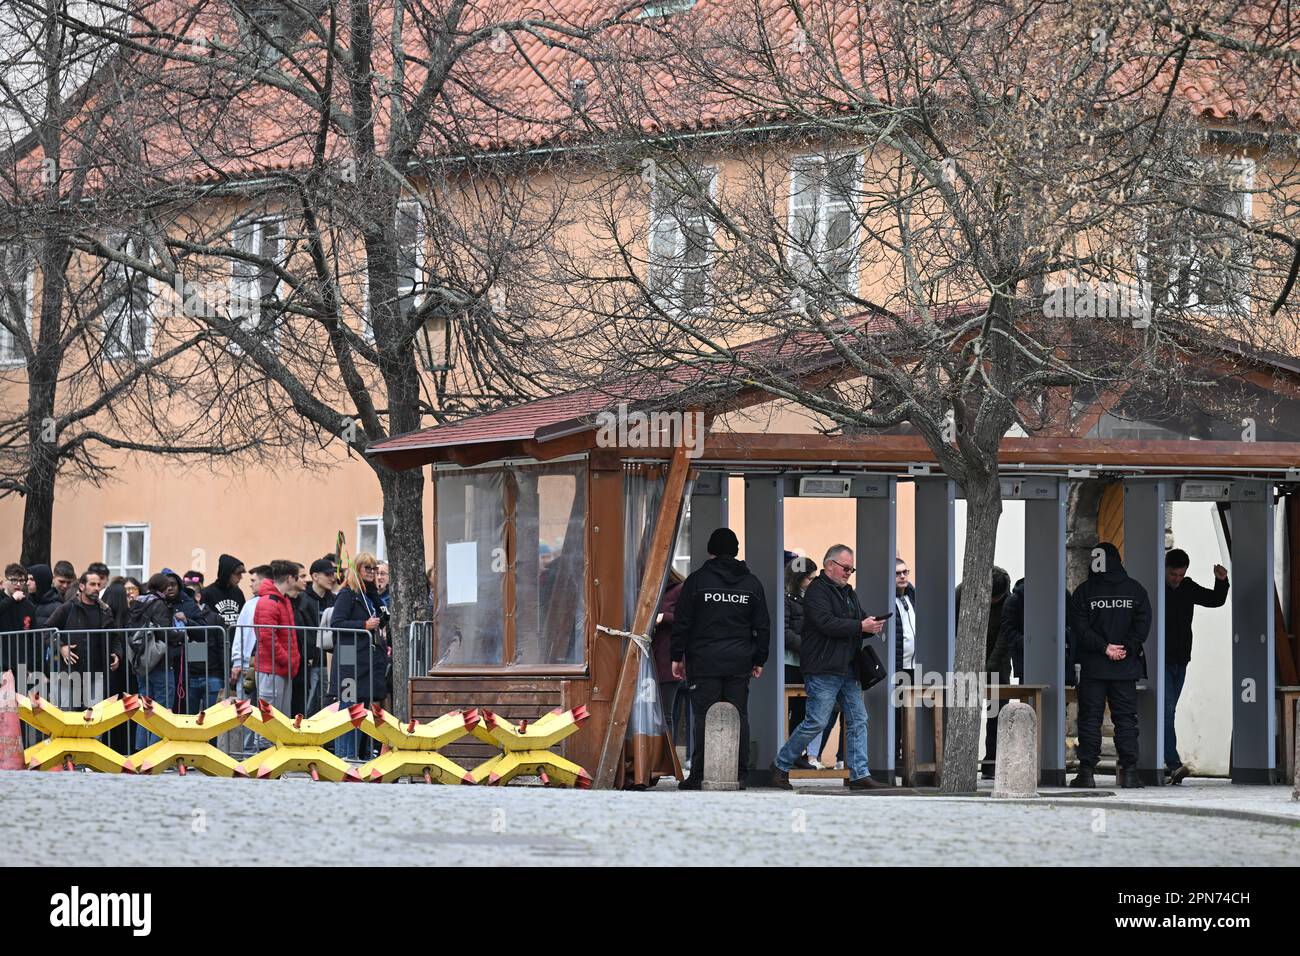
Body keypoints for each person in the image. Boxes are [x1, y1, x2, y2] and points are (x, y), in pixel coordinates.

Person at [772, 544, 889, 790]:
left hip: (847, 668)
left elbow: (854, 621)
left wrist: (871, 625)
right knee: (815, 721)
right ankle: (781, 765)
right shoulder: (817, 592)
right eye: (846, 568)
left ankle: (859, 774)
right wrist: (860, 626)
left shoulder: (848, 592)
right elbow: (827, 624)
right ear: (830, 566)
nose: (849, 572)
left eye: (852, 569)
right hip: (823, 668)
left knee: (858, 719)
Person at [671, 528, 770, 790]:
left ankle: (700, 774)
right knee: (739, 715)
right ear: (736, 551)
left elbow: (682, 622)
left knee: (703, 716)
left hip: (704, 661)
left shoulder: (696, 581)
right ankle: (739, 774)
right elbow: (763, 625)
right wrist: (760, 659)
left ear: (710, 550)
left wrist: (676, 656)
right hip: (740, 661)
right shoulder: (751, 584)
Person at [1068, 542, 1152, 789]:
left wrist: (1104, 648)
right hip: (1125, 667)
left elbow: (1079, 629)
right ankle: (1129, 772)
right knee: (1126, 719)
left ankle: (1086, 773)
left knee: (1090, 719)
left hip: (1093, 667)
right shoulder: (1136, 591)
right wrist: (1124, 648)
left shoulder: (1084, 592)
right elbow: (1142, 626)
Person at [1164, 549, 1229, 785]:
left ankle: (1167, 762)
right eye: (1173, 574)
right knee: (1167, 710)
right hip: (1162, 660)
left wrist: (1221, 581)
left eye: (1181, 575)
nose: (1177, 579)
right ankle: (1173, 764)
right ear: (1165, 568)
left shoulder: (1188, 588)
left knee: (1168, 710)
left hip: (1181, 659)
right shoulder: (1156, 588)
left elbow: (1215, 600)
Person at [331, 553, 388, 760]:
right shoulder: (347, 594)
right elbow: (336, 623)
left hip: (365, 658)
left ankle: (356, 753)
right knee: (349, 706)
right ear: (357, 570)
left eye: (374, 569)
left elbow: (380, 618)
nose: (372, 573)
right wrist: (363, 625)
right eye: (368, 569)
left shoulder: (369, 595)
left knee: (360, 707)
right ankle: (345, 754)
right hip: (348, 655)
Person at [957, 567, 1010, 779]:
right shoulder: (963, 593)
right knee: (966, 709)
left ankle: (991, 763)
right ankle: (963, 762)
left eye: (997, 599)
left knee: (997, 713)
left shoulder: (1009, 600)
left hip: (999, 663)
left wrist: (989, 667)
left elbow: (1004, 638)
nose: (994, 602)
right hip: (967, 661)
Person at [47, 571, 122, 708]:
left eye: (99, 584)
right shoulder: (68, 608)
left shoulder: (105, 611)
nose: (97, 588)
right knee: (68, 718)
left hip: (96, 673)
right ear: (82, 586)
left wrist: (117, 653)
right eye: (92, 584)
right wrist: (61, 647)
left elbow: (114, 636)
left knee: (93, 720)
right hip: (69, 674)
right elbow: (47, 631)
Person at [128, 573, 183, 749]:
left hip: (142, 661)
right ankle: (155, 751)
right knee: (161, 708)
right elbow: (163, 631)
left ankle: (141, 750)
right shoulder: (159, 604)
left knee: (145, 707)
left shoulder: (138, 602)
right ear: (163, 588)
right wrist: (180, 634)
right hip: (159, 661)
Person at [782, 556, 820, 769]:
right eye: (810, 578)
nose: (813, 582)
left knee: (801, 710)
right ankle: (789, 754)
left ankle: (795, 753)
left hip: (806, 661)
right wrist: (808, 647)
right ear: (800, 578)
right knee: (791, 708)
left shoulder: (810, 597)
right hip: (791, 661)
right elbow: (786, 631)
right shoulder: (787, 598)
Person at [253, 560, 302, 716]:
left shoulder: (281, 600)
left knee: (279, 720)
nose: (298, 580)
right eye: (297, 577)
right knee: (268, 722)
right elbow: (267, 638)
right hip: (272, 669)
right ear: (289, 578)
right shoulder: (270, 601)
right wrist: (287, 660)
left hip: (279, 668)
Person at [651, 569, 685, 744]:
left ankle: (667, 762)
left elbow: (687, 620)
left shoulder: (679, 589)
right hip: (650, 660)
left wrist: (664, 617)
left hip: (669, 659)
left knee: (666, 715)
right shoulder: (647, 590)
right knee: (655, 715)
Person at [893, 556, 917, 767]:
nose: (902, 577)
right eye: (898, 573)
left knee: (912, 712)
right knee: (896, 713)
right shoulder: (887, 599)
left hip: (914, 667)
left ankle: (909, 755)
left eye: (905, 572)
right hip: (897, 667)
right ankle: (894, 755)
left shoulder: (913, 597)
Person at [28, 564, 64, 631]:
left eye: (32, 579)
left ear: (41, 581)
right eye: (27, 579)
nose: (27, 583)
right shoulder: (28, 602)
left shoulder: (57, 606)